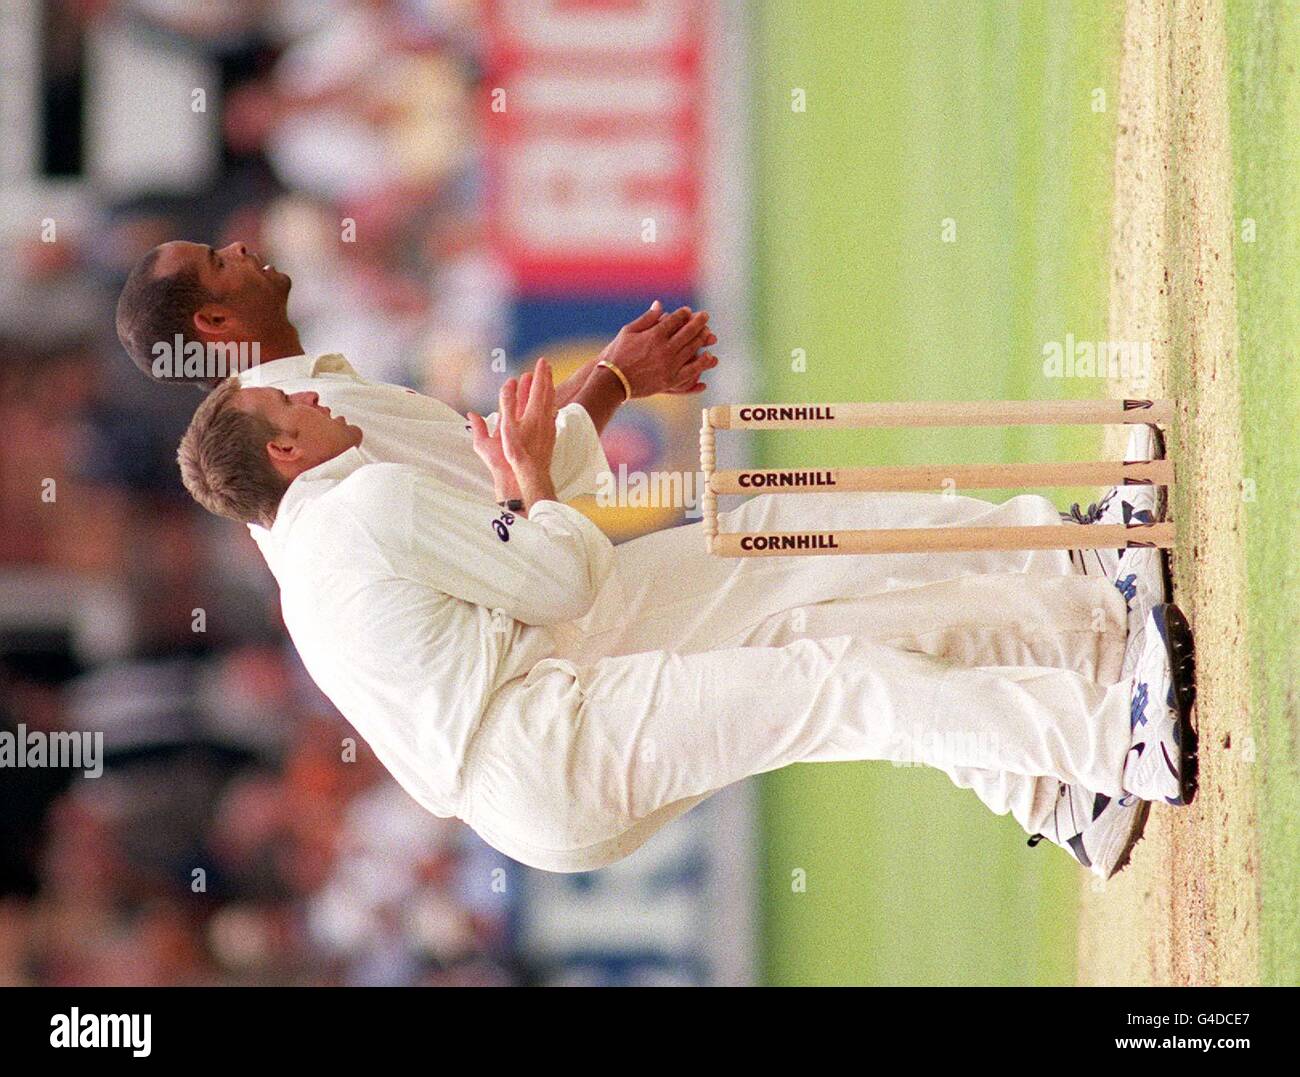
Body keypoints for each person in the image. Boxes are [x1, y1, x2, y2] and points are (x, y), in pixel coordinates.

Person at [174, 360, 1198, 878]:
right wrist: (532, 483)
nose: (310, 401)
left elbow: (535, 590)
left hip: (541, 749)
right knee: (836, 682)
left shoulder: (306, 563)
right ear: (282, 454)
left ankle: (1066, 769)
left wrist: (536, 489)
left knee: (801, 601)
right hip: (548, 734)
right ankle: (1120, 745)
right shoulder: (359, 508)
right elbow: (559, 582)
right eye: (289, 409)